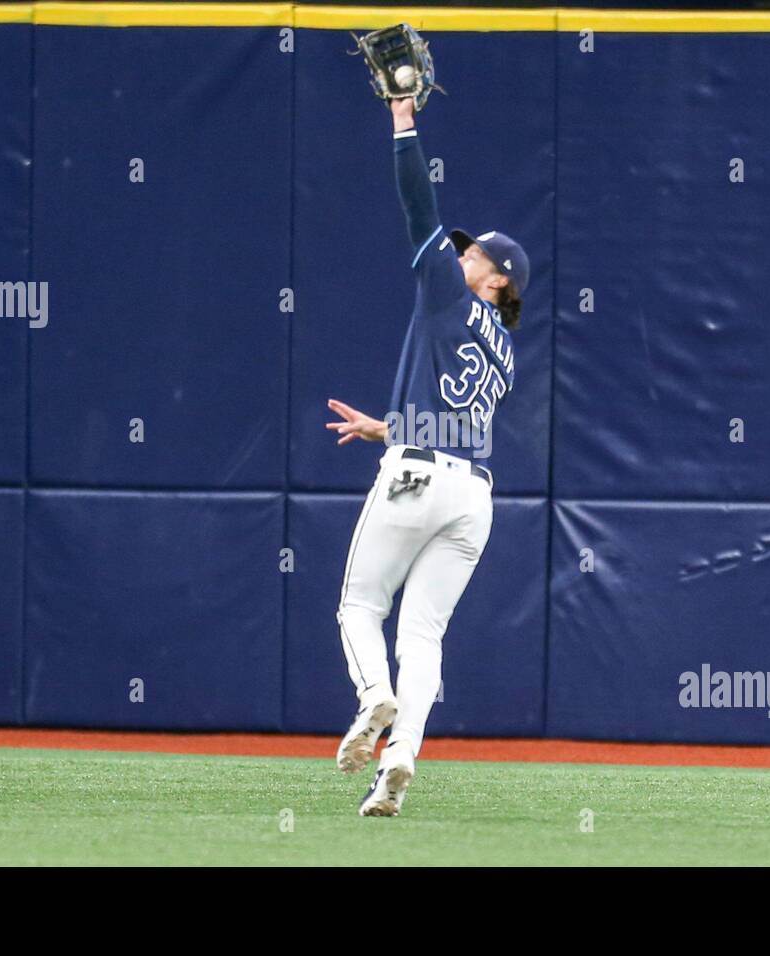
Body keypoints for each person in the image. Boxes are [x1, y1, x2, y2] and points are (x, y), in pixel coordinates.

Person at [325, 93, 531, 817]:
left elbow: (419, 204)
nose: (461, 252)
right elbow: (455, 416)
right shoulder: (506, 349)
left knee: (359, 604)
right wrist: (387, 426)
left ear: (496, 277)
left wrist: (403, 117)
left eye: (476, 253)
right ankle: (402, 755)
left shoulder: (449, 290)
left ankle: (373, 697)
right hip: (472, 496)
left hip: (415, 476)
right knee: (424, 633)